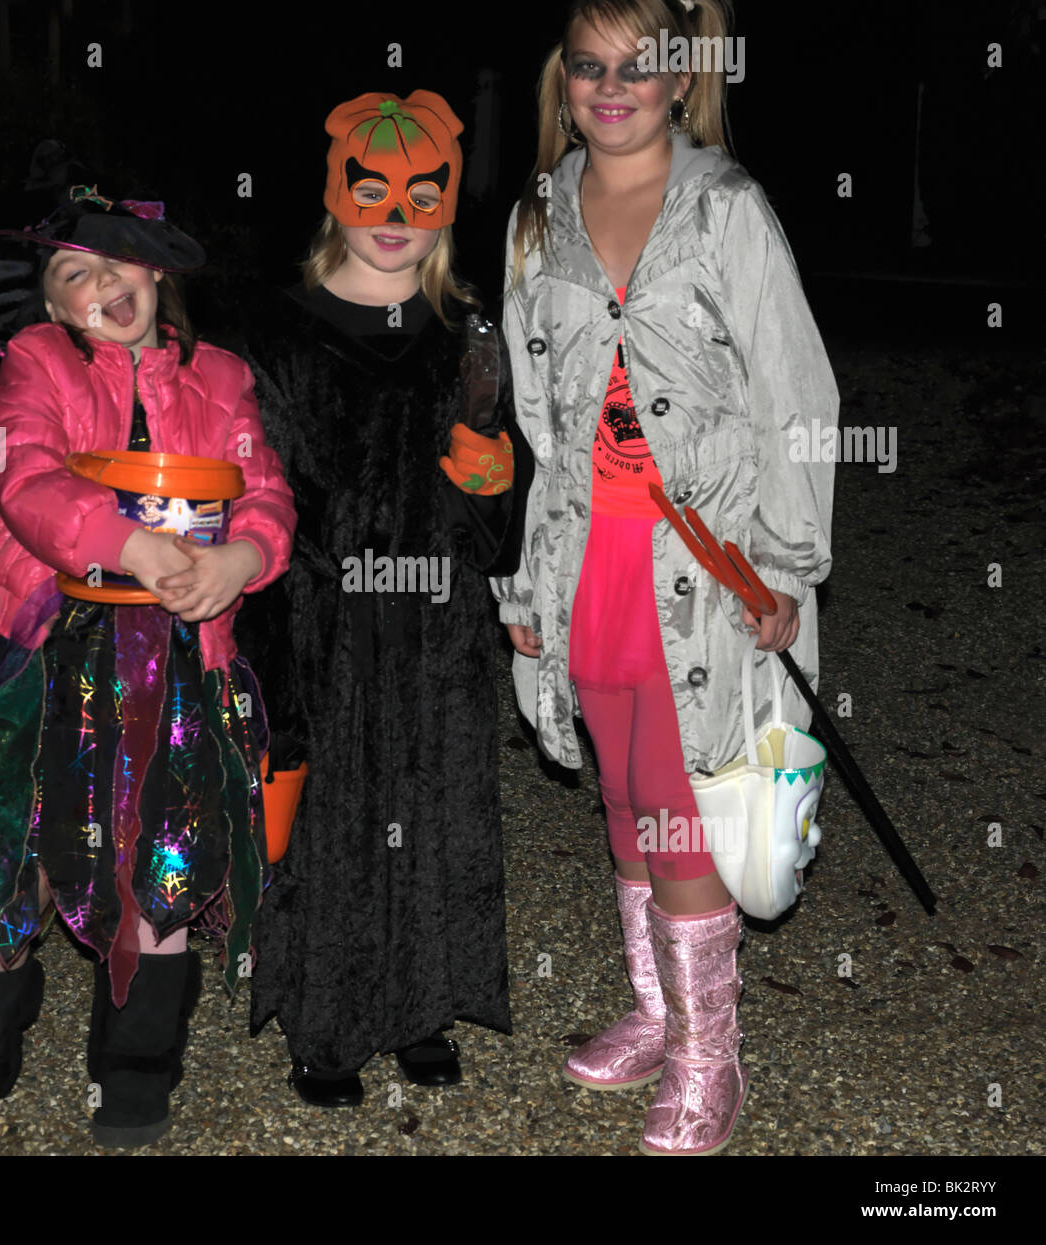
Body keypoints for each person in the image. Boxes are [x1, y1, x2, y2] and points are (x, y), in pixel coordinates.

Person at [494, 0, 837, 1155]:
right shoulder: (536, 221)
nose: (611, 86)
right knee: (628, 800)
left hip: (703, 567)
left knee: (688, 808)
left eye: (639, 68)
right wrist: (533, 585)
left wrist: (786, 564)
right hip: (590, 557)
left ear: (684, 82)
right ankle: (656, 1012)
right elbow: (539, 426)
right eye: (587, 66)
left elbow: (798, 399)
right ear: (561, 80)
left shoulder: (727, 210)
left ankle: (709, 1061)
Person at [0, 156, 295, 1153]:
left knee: (162, 870)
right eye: (72, 275)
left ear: (157, 273)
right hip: (44, 645)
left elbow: (263, 490)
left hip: (173, 661)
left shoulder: (221, 376)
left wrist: (244, 557)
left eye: (116, 261)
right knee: (7, 864)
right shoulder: (37, 369)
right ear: (49, 306)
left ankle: (136, 1074)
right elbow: (26, 477)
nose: (101, 284)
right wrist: (125, 542)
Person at [235, 91, 524, 1106]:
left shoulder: (463, 331)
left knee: (432, 802)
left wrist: (489, 469)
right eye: (371, 190)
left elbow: (498, 506)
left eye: (419, 193)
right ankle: (329, 1020)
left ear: (445, 206)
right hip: (329, 624)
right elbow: (259, 497)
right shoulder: (280, 337)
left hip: (438, 620)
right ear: (336, 198)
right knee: (339, 815)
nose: (393, 213)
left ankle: (420, 1010)